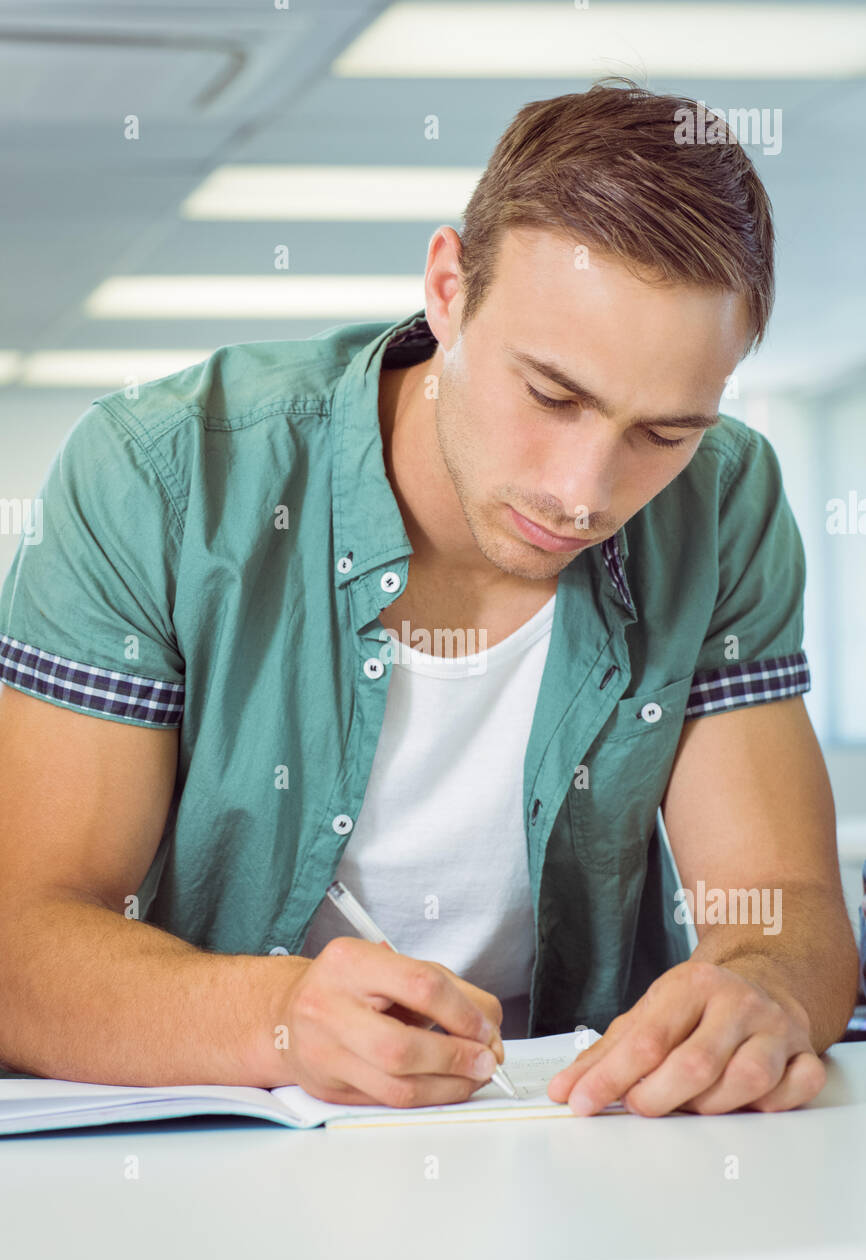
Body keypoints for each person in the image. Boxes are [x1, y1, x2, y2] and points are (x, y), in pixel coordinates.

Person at [0, 78, 858, 1117]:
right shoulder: (159, 476)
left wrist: (762, 991)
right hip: (218, 1149)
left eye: (662, 433)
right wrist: (275, 1016)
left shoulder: (723, 498)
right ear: (448, 288)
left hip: (560, 1149)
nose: (582, 493)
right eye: (551, 395)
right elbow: (23, 942)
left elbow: (786, 911)